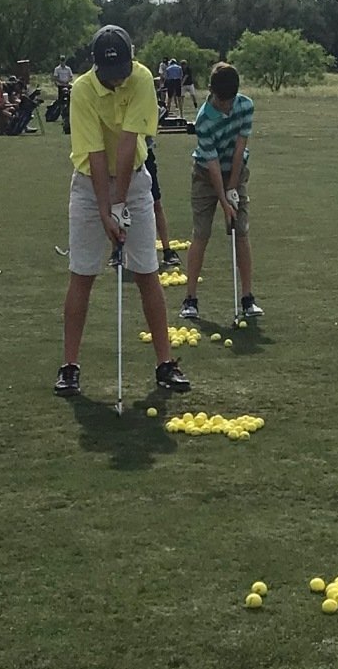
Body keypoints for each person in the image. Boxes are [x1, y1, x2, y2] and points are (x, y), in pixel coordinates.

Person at [56, 25, 192, 399]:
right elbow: (96, 154)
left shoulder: (142, 78)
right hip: (89, 185)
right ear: (96, 65)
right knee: (82, 273)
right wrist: (106, 209)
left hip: (133, 180)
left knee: (147, 271)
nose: (117, 80)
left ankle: (165, 364)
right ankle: (69, 367)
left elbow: (128, 143)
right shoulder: (82, 89)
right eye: (109, 74)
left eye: (121, 73)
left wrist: (120, 203)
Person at [182, 62, 261, 322]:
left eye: (230, 101)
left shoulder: (245, 106)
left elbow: (239, 149)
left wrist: (232, 188)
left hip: (235, 173)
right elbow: (213, 164)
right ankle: (190, 300)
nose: (226, 107)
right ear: (211, 91)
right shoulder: (203, 119)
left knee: (241, 231)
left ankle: (248, 299)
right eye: (221, 101)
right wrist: (224, 200)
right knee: (201, 233)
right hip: (206, 175)